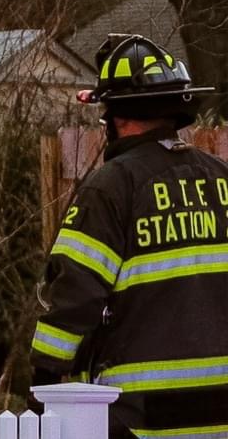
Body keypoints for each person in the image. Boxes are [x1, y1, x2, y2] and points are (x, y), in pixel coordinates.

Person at [32, 34, 228, 439]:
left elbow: (76, 292)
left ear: (117, 117)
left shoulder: (112, 188)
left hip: (141, 418)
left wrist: (44, 376)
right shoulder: (222, 179)